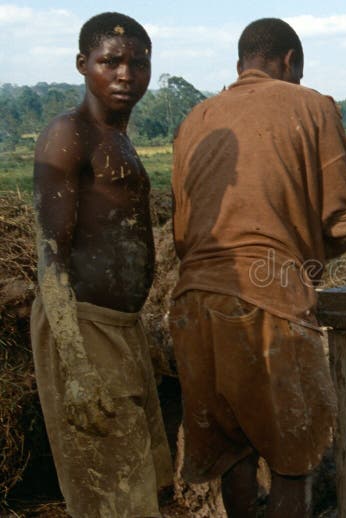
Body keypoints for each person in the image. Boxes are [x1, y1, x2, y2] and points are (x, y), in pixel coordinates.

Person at [169, 18, 346, 517]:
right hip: (269, 302)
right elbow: (340, 222)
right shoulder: (312, 104)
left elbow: (181, 233)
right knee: (291, 461)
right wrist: (306, 268)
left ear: (239, 65)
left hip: (192, 303)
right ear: (290, 62)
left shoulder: (195, 118)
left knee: (233, 452)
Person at [30, 12, 172, 516]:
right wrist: (76, 366)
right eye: (110, 62)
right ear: (82, 65)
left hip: (121, 329)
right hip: (83, 327)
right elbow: (49, 253)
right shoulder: (70, 134)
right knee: (113, 494)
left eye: (138, 62)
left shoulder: (120, 138)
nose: (125, 74)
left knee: (140, 483)